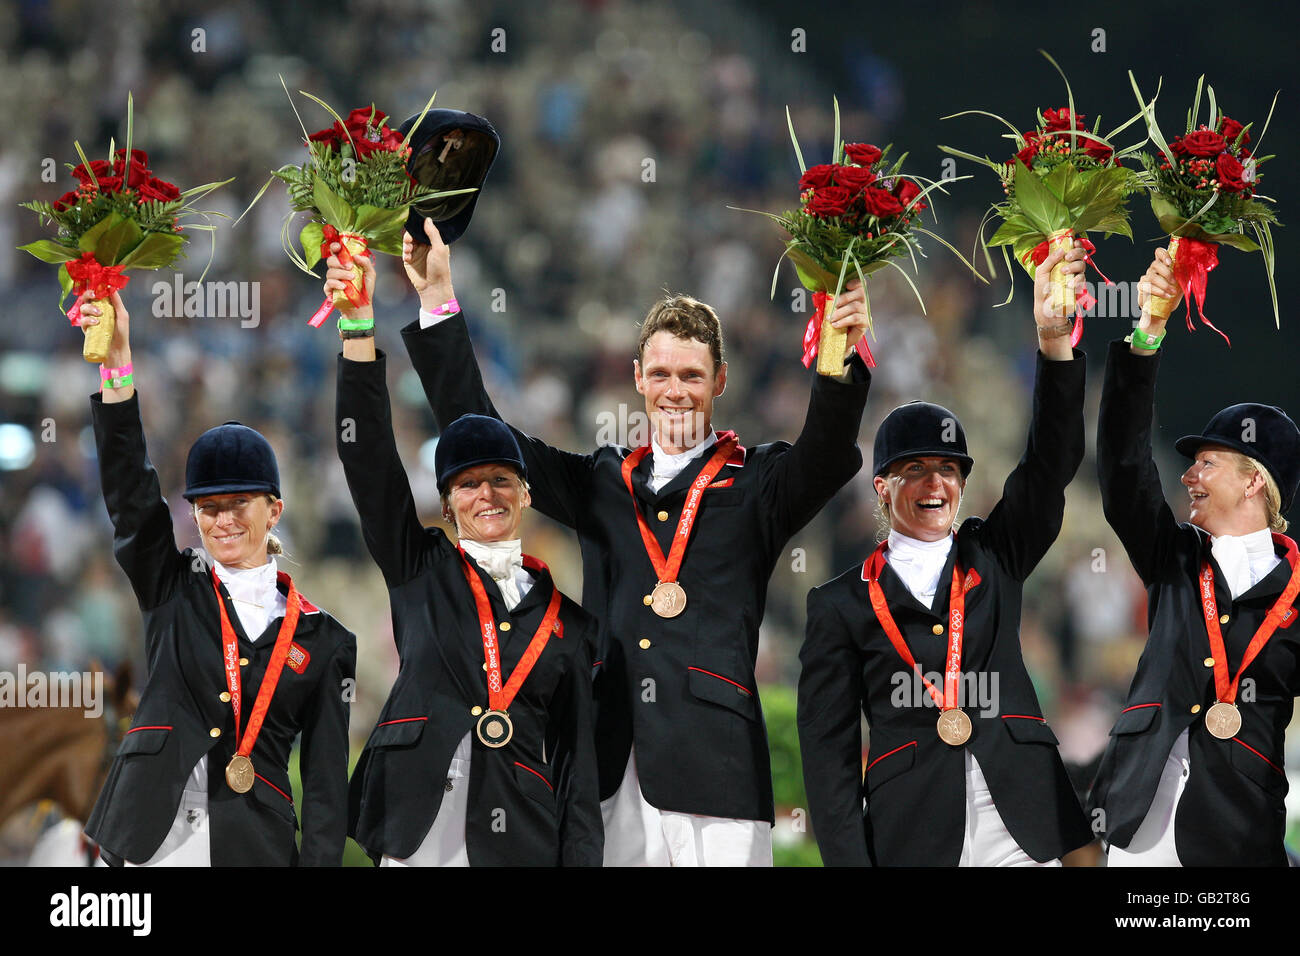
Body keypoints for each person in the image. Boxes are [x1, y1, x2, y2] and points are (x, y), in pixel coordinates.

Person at [397, 217, 871, 866]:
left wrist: (841, 349)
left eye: (693, 376)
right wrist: (438, 303)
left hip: (719, 775)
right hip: (610, 770)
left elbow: (827, 450)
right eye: (663, 374)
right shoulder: (600, 483)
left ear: (721, 382)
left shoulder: (759, 483)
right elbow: (484, 434)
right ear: (639, 379)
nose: (676, 391)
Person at [797, 244, 1094, 866]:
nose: (935, 484)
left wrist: (1053, 345)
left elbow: (1050, 463)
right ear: (881, 487)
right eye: (915, 470)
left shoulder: (997, 552)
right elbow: (828, 758)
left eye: (948, 470)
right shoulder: (839, 605)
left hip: (1025, 821)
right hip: (915, 835)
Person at [328, 249, 602, 866]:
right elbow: (368, 461)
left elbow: (578, 778)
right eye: (468, 485)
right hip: (415, 824)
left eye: (501, 480)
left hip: (519, 841)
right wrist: (356, 328)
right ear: (447, 504)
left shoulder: (571, 628)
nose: (487, 495)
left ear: (527, 494)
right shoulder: (419, 569)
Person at [79, 294, 355, 866]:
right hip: (146, 838)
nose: (222, 520)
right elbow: (132, 498)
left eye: (238, 503)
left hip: (253, 845)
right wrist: (118, 365)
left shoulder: (325, 643)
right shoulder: (171, 585)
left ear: (274, 510)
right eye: (208, 506)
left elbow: (326, 790)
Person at [1088, 247, 1300, 866]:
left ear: (1254, 481)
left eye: (1207, 463)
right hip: (1140, 823)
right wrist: (1146, 333)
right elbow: (1124, 468)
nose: (1189, 477)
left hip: (1239, 833)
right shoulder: (1175, 556)